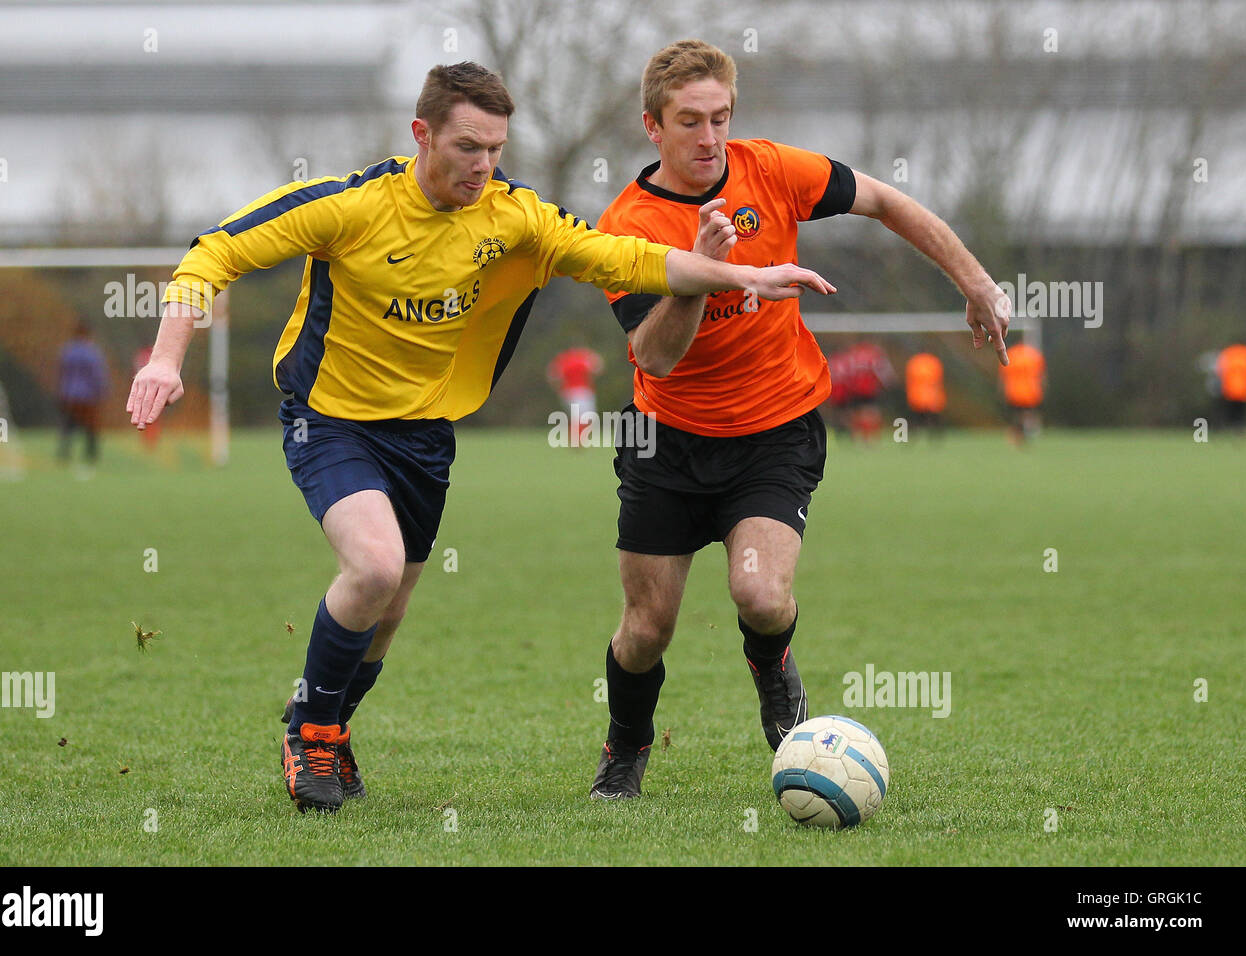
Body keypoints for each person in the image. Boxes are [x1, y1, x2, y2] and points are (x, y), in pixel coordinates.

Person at [125, 61, 834, 814]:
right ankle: (312, 733)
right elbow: (213, 253)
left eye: (496, 148)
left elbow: (622, 257)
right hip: (330, 418)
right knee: (372, 568)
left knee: (387, 610)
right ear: (421, 134)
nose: (484, 165)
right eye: (468, 147)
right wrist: (168, 358)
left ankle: (330, 724)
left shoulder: (512, 217)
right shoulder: (350, 207)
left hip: (426, 437)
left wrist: (736, 276)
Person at [588, 39, 1009, 799]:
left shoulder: (772, 170)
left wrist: (976, 281)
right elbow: (655, 359)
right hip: (666, 442)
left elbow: (886, 200)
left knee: (760, 595)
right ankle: (626, 745)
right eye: (690, 121)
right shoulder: (626, 224)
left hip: (773, 432)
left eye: (721, 118)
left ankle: (773, 668)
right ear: (653, 127)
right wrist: (696, 272)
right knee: (647, 629)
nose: (710, 138)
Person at [57, 322, 109, 470]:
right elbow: (97, 374)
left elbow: (62, 373)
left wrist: (61, 392)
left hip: (69, 394)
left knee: (68, 426)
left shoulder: (67, 351)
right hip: (88, 396)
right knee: (91, 427)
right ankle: (91, 455)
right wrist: (102, 391)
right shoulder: (91, 352)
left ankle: (64, 453)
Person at [547, 346, 604, 446]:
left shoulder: (563, 360)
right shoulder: (582, 359)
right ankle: (576, 441)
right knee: (585, 418)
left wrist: (558, 388)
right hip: (582, 392)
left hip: (568, 392)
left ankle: (575, 440)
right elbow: (598, 368)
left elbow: (553, 375)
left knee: (578, 418)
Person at [999, 341, 1045, 445]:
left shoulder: (1009, 355)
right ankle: (1029, 432)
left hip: (1013, 392)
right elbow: (1042, 376)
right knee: (1029, 414)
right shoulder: (1034, 355)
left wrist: (1002, 391)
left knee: (1015, 416)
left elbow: (1003, 377)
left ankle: (1015, 437)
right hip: (1031, 392)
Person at [905, 351, 947, 438]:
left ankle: (912, 437)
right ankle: (935, 437)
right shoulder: (933, 362)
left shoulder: (915, 362)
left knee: (918, 419)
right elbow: (938, 379)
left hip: (917, 396)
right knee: (930, 418)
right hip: (928, 396)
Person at [1215, 342, 1246, 433]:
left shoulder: (1228, 353)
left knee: (1230, 410)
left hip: (1229, 389)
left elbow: (1220, 370)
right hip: (1243, 389)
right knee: (1240, 412)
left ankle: (1227, 427)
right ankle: (1239, 428)